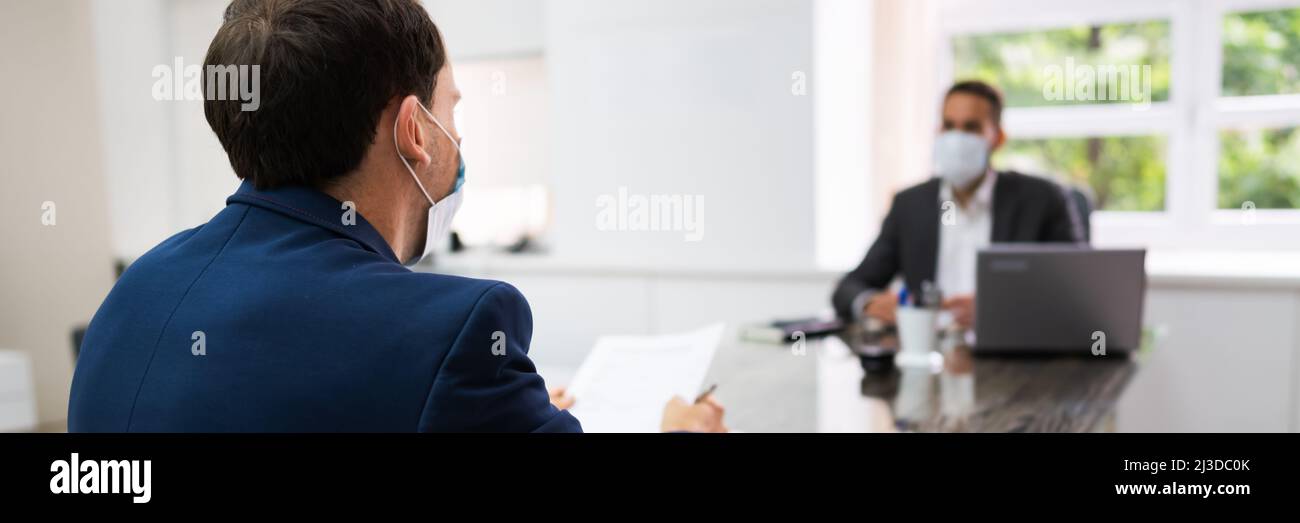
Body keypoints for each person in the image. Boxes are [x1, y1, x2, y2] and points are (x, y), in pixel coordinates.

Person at [68, 0, 725, 433]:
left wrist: (510, 415)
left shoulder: (133, 295)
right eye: (453, 110)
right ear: (415, 128)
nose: (458, 140)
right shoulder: (453, 336)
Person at [832, 80, 1084, 328]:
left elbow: (1078, 290)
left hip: (1013, 354)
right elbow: (849, 287)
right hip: (929, 352)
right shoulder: (910, 205)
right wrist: (869, 303)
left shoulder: (1043, 199)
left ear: (997, 137)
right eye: (949, 125)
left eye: (971, 127)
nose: (956, 137)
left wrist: (998, 307)